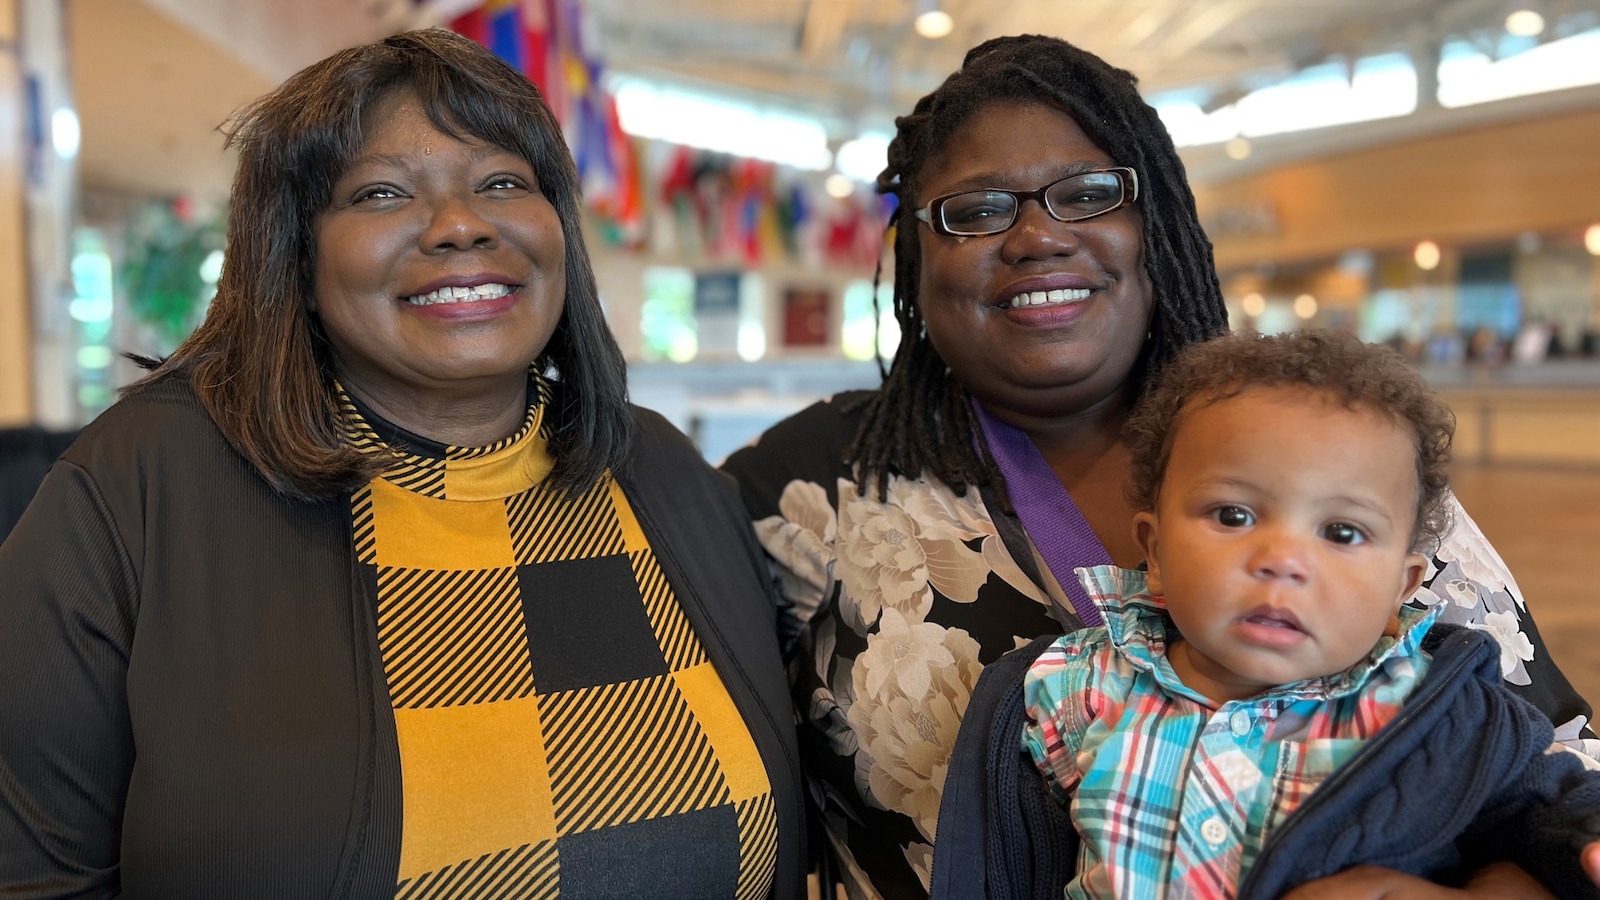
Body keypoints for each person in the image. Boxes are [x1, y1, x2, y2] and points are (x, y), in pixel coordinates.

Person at [720, 33, 1596, 900]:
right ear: (917, 254)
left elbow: (1554, 770)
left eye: (1089, 194)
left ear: (1158, 222)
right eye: (977, 209)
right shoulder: (805, 487)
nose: (1034, 236)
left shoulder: (1339, 448)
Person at [0, 29, 803, 899]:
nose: (462, 225)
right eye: (380, 193)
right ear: (295, 256)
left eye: (502, 182)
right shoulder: (140, 486)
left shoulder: (663, 471)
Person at [929, 330, 1600, 899]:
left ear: (1403, 585)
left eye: (1341, 532)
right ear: (1155, 552)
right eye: (1234, 515)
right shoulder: (1071, 691)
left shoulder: (1440, 711)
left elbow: (1550, 805)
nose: (1282, 558)